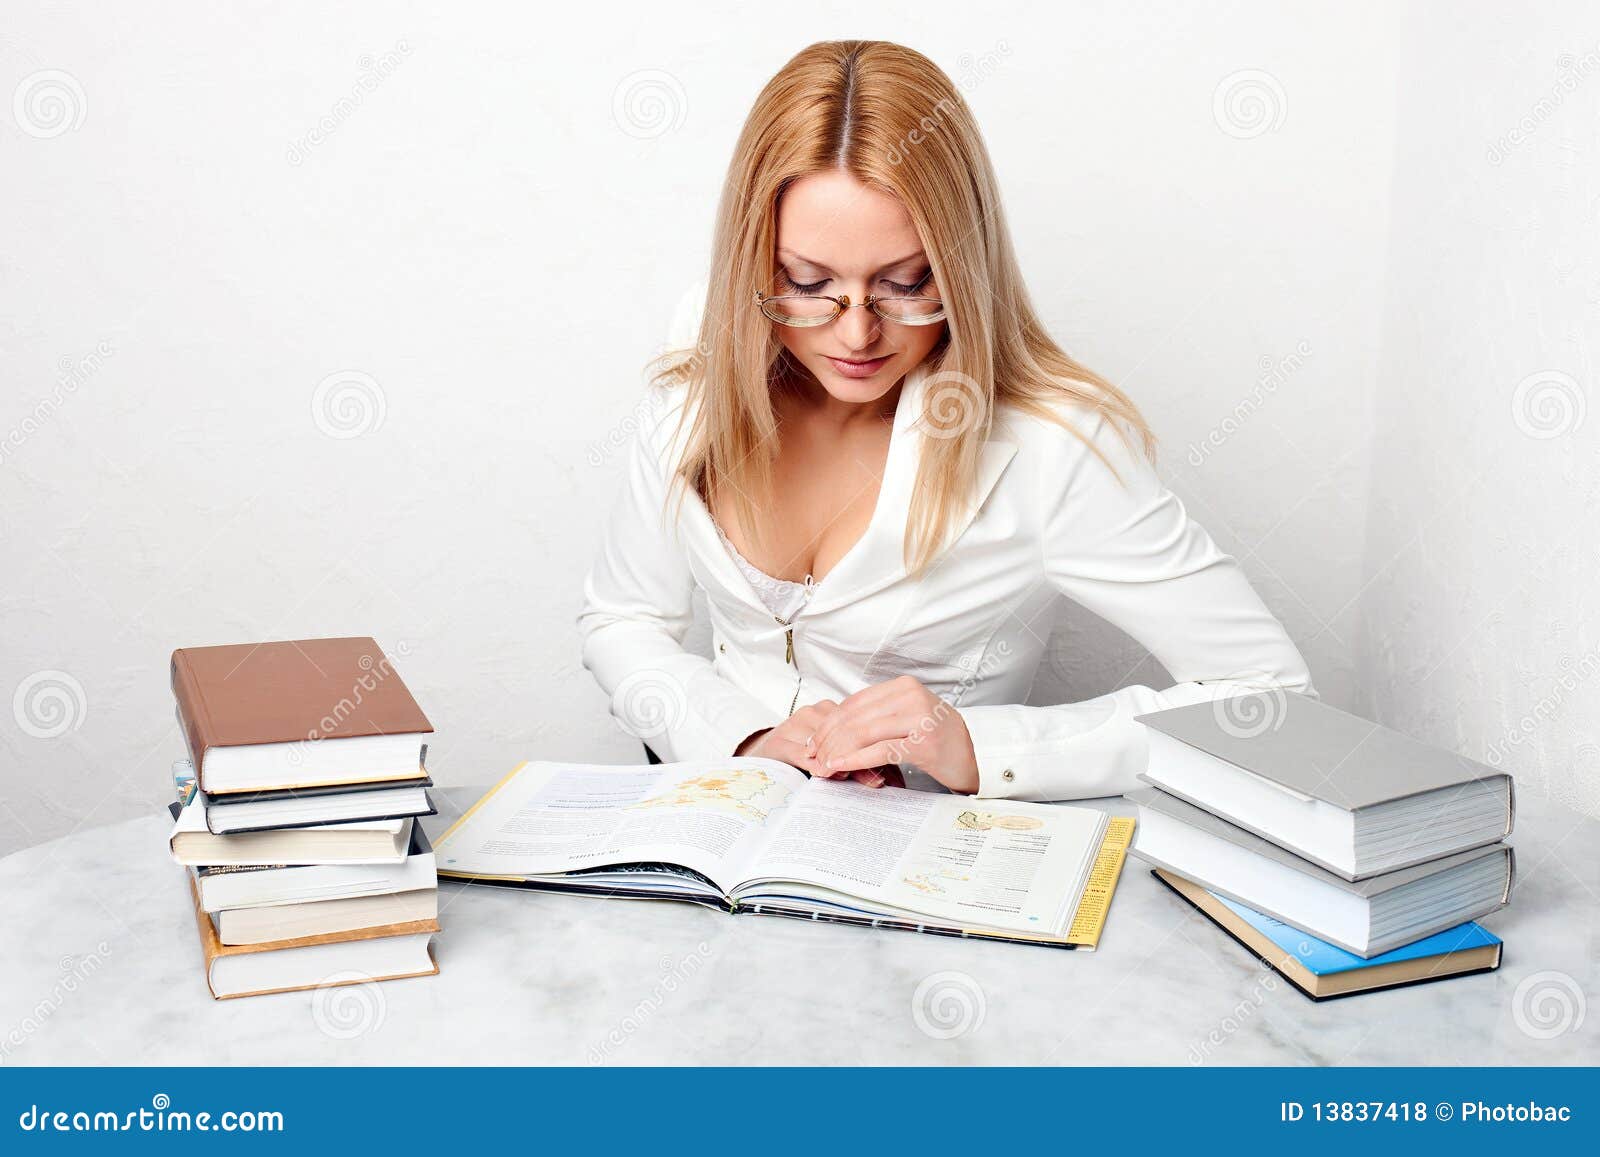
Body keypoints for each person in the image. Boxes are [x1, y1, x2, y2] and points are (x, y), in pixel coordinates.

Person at [578, 39, 1314, 801]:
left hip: (925, 876)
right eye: (806, 282)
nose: (857, 333)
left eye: (904, 283)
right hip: (721, 844)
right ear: (750, 263)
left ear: (962, 264)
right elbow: (621, 617)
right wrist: (740, 735)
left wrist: (982, 748)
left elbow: (1272, 698)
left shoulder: (1051, 445)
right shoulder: (700, 365)